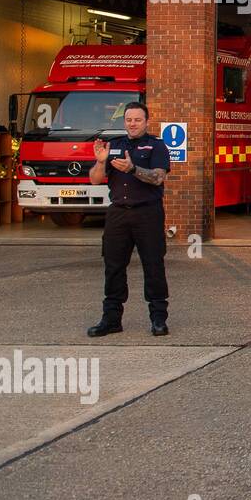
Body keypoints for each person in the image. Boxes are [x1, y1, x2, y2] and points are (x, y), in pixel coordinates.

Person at [86, 101, 171, 337]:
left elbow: (157, 178)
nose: (132, 124)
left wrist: (133, 169)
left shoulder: (156, 146)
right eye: (129, 120)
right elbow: (94, 179)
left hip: (147, 213)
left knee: (153, 265)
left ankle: (158, 319)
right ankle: (111, 320)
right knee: (113, 267)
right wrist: (101, 161)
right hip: (118, 213)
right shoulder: (113, 145)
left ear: (146, 121)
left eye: (137, 120)